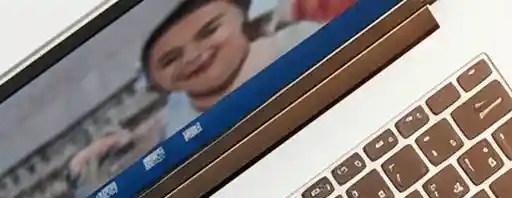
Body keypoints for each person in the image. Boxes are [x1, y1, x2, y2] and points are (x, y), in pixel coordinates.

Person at [69, 0, 356, 187]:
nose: (193, 56)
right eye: (169, 59)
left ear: (242, 16)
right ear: (155, 82)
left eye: (209, 31)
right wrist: (124, 144)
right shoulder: (176, 109)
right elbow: (164, 140)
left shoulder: (295, 42)